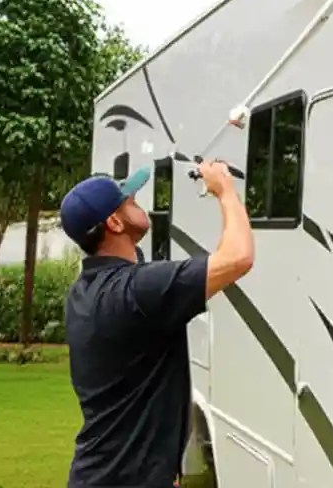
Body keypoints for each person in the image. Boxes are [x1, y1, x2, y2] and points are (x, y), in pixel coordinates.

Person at [60, 160, 254, 488]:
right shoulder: (139, 290)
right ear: (114, 222)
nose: (138, 201)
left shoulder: (83, 293)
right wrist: (225, 191)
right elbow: (238, 257)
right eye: (129, 201)